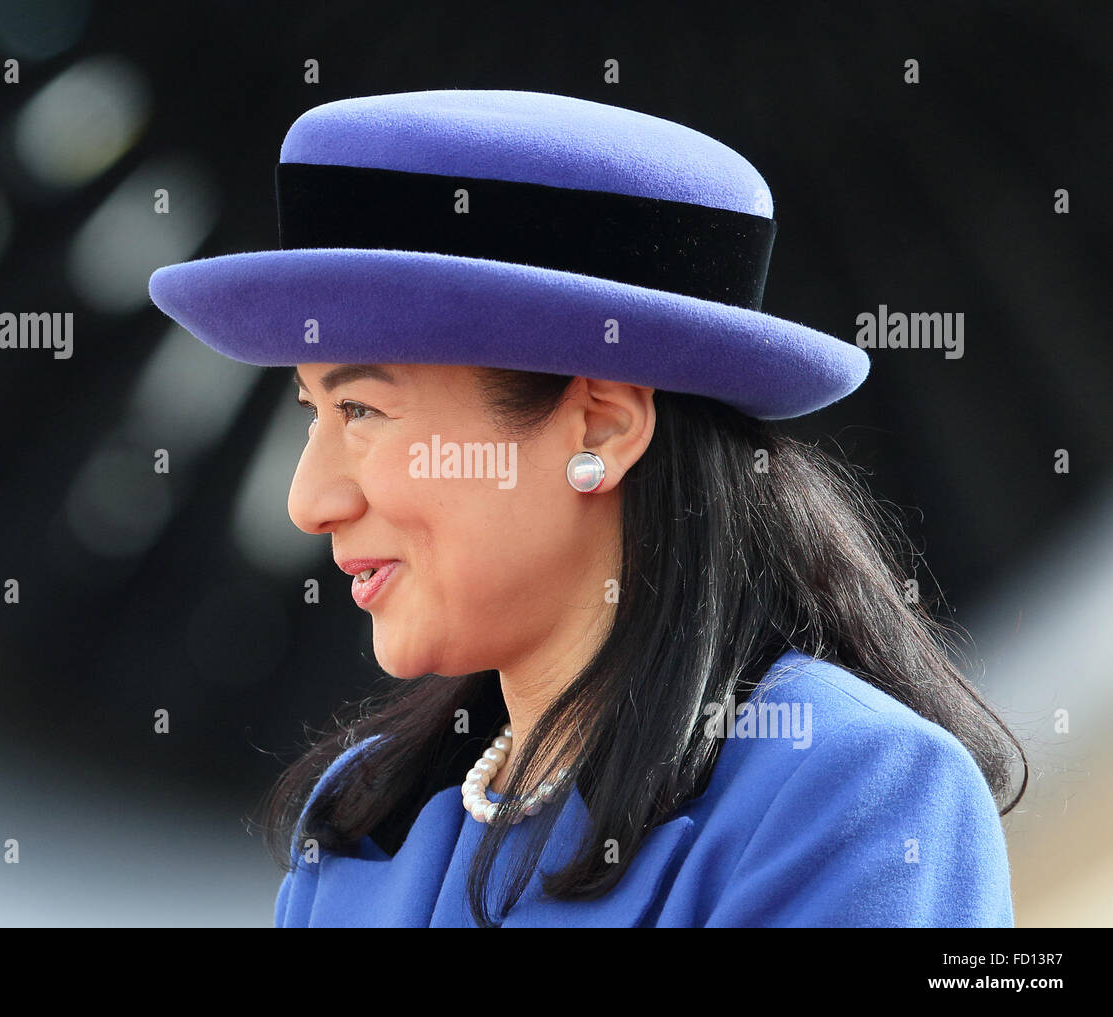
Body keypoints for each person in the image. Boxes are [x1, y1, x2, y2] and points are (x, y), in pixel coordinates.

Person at [148, 88, 1026, 928]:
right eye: (311, 412)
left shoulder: (847, 790)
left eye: (363, 410)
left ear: (600, 430)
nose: (310, 501)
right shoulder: (363, 821)